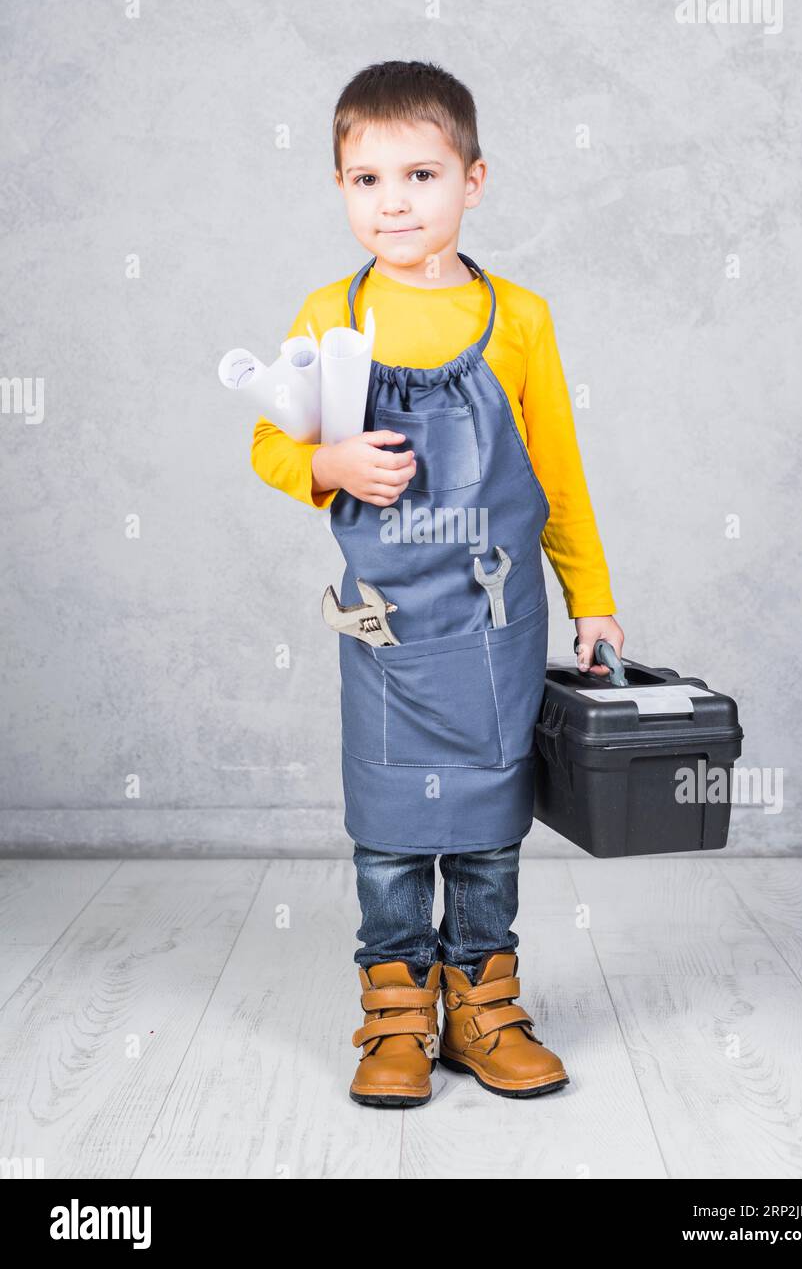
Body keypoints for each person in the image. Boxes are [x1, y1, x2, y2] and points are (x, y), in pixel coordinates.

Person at [250, 59, 625, 1107]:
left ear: (474, 178)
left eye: (419, 174)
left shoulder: (521, 320)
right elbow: (269, 448)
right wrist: (327, 464)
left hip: (495, 629)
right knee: (388, 835)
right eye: (365, 180)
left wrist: (593, 597)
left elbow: (556, 477)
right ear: (339, 189)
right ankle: (397, 1017)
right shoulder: (333, 314)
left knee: (488, 829)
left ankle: (484, 1006)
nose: (394, 201)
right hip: (385, 634)